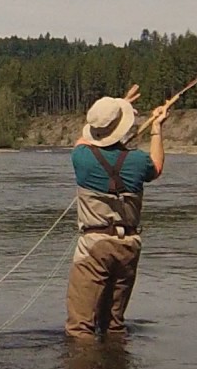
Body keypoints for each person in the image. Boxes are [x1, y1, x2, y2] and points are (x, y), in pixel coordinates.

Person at [66, 84, 168, 338]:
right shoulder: (138, 161)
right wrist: (156, 128)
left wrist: (116, 110)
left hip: (94, 247)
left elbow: (86, 139)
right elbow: (156, 167)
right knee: (113, 325)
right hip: (129, 247)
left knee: (80, 328)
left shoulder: (81, 157)